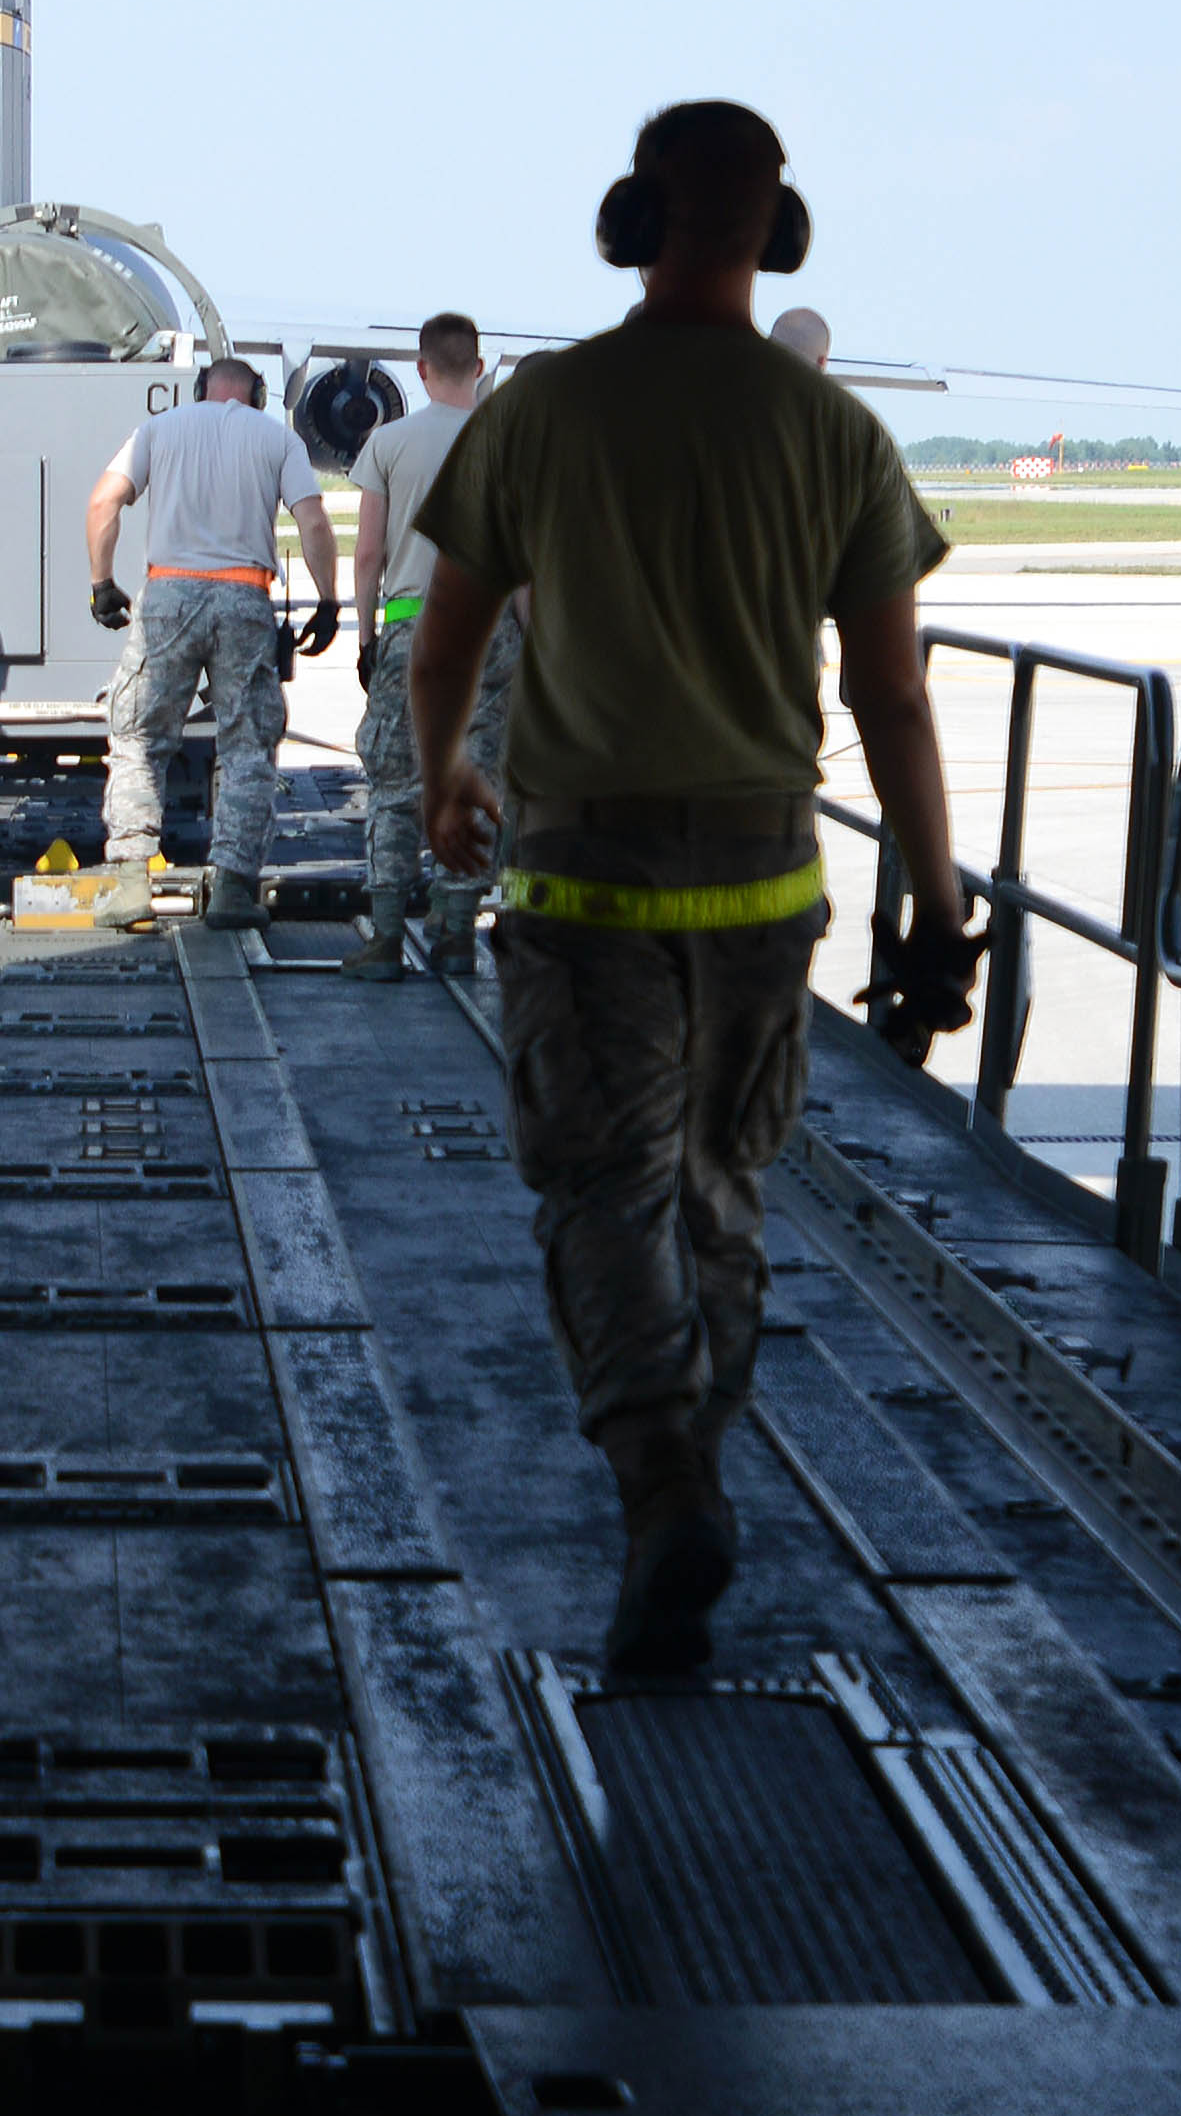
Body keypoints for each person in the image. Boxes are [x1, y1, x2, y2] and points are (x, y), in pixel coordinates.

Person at [403, 101, 972, 1676]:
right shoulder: (832, 432)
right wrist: (934, 899)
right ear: (777, 232)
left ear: (633, 223)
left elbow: (448, 639)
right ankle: (702, 1465)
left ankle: (665, 1490)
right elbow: (893, 698)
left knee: (604, 1192)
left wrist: (446, 772)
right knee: (721, 1194)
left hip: (583, 883)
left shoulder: (548, 408)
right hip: (760, 880)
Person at [82, 352, 328, 920]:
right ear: (257, 395)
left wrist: (102, 584)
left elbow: (103, 502)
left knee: (140, 737)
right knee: (247, 746)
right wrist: (329, 599)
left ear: (200, 389)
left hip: (168, 595)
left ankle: (130, 884)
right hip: (244, 597)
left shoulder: (156, 430)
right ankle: (235, 890)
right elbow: (313, 520)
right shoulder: (276, 439)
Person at [345, 317, 516, 980]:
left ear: (421, 369)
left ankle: (386, 938)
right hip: (495, 628)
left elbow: (368, 553)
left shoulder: (387, 442)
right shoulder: (505, 444)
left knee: (393, 780)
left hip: (412, 620)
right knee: (477, 771)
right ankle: (453, 930)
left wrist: (365, 635)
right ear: (479, 368)